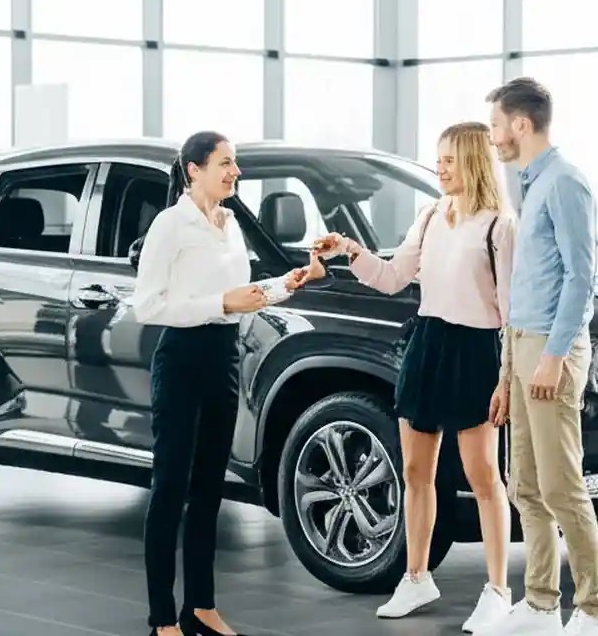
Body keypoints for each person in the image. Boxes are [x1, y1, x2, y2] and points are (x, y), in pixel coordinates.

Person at [308, 122, 517, 634]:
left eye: (448, 159)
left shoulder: (501, 226)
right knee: (416, 474)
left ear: (472, 162)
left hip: (476, 351)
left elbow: (514, 313)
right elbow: (393, 277)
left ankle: (498, 592)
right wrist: (352, 252)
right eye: (438, 159)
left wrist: (506, 380)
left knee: (484, 478)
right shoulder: (430, 216)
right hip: (427, 344)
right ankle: (417, 576)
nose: (439, 168)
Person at [132, 131, 318, 636]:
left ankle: (201, 607)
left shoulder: (230, 222)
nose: (235, 172)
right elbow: (145, 305)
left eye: (235, 164)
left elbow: (244, 293)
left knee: (209, 489)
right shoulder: (171, 225)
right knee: (170, 489)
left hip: (222, 357)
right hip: (183, 357)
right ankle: (162, 620)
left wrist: (290, 282)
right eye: (225, 163)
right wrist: (220, 305)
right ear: (194, 169)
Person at [477, 78, 598, 636]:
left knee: (562, 486)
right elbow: (527, 292)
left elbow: (582, 280)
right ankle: (538, 605)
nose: (492, 137)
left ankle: (591, 611)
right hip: (525, 347)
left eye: (495, 126)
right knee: (525, 485)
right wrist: (508, 374)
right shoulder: (532, 186)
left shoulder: (565, 184)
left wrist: (553, 358)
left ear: (521, 125)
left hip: (553, 352)